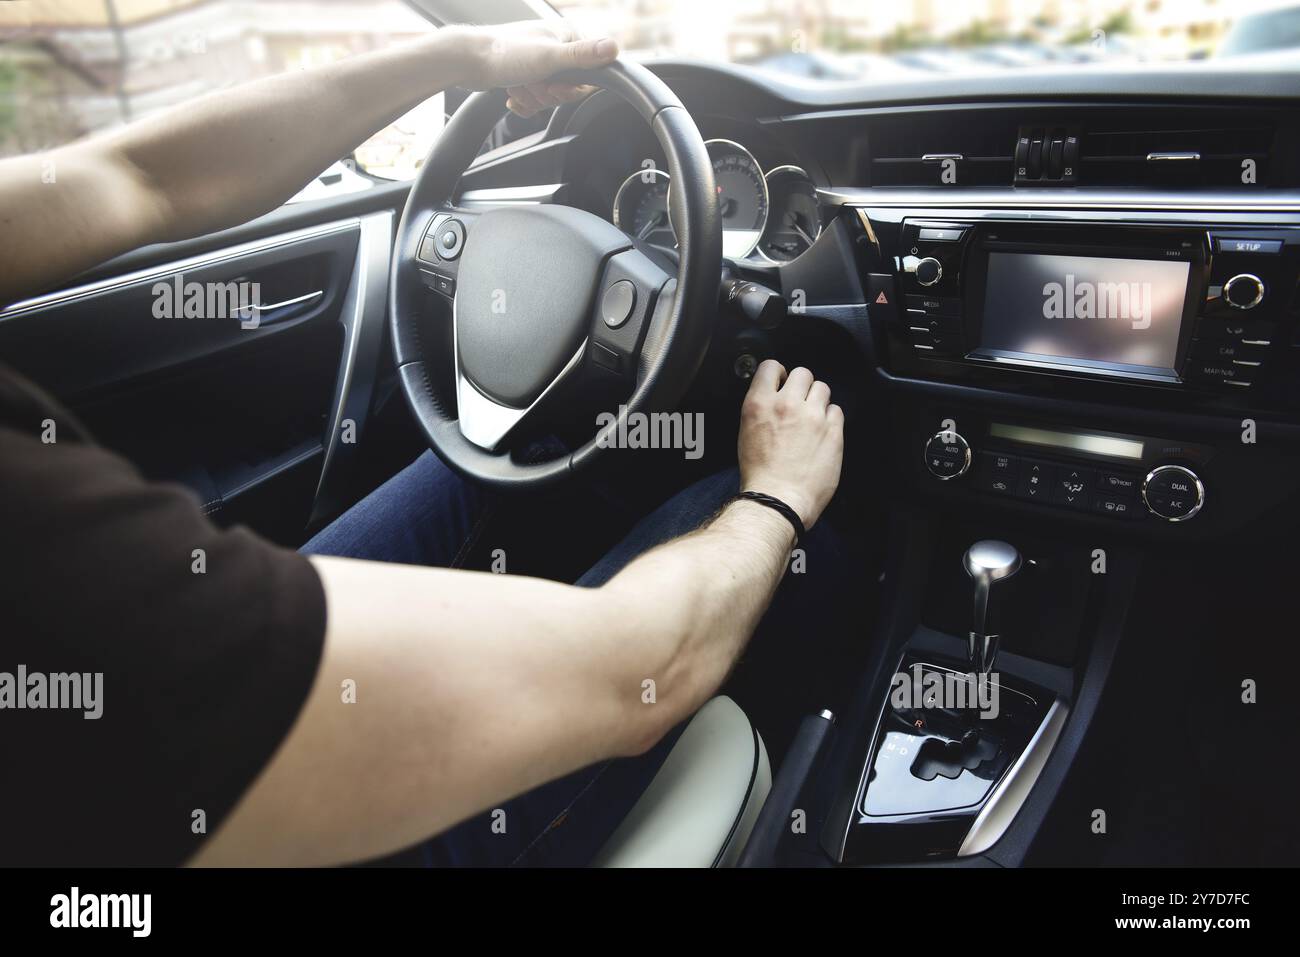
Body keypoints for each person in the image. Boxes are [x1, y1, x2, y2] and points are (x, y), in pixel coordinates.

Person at [0, 20, 846, 866]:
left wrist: (461, 57)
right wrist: (775, 497)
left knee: (488, 469)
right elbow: (642, 669)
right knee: (736, 515)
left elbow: (135, 175)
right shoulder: (53, 574)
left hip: (170, 761)